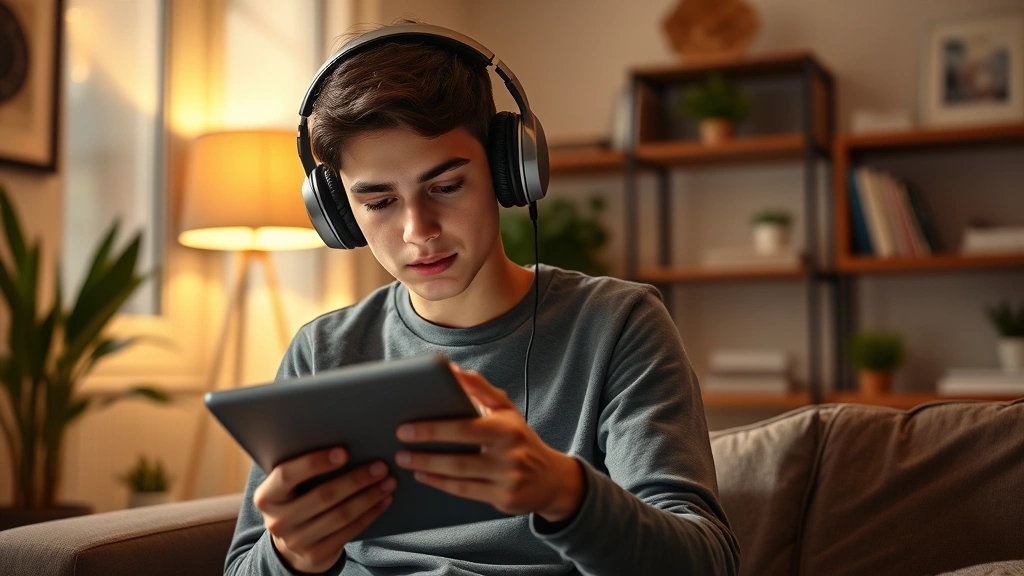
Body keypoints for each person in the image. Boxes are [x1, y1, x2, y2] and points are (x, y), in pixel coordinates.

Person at [225, 20, 740, 576]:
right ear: (339, 212)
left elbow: (705, 562)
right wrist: (291, 555)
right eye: (378, 203)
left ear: (507, 171)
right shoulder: (322, 352)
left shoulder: (617, 325)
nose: (418, 231)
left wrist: (563, 492)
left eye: (446, 187)